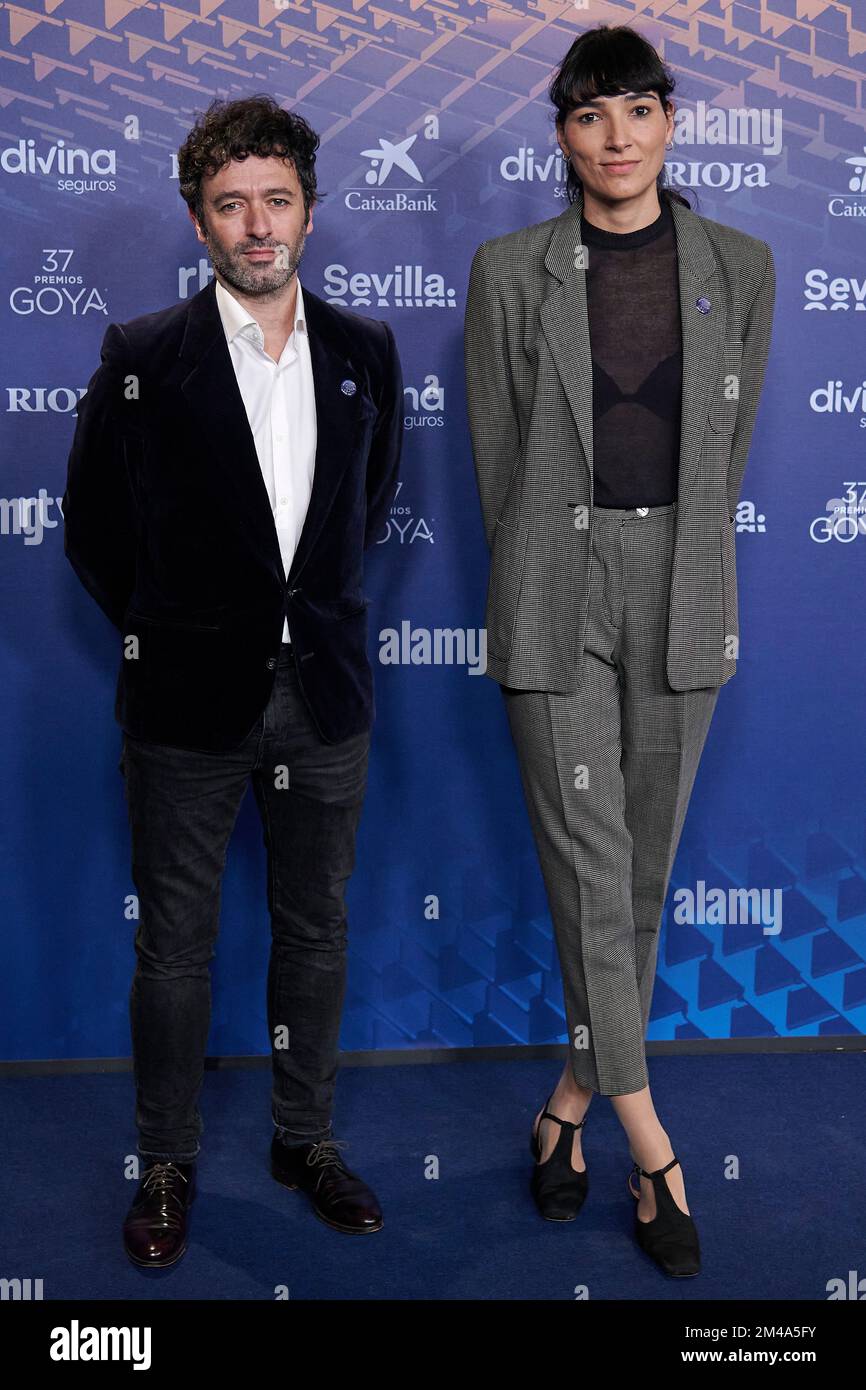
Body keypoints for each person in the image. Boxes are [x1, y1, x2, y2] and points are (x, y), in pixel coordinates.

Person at [62, 95, 403, 1267]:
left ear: (308, 210)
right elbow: (94, 531)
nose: (256, 226)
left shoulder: (365, 353)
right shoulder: (145, 354)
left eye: (276, 200)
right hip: (185, 705)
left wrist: (290, 623)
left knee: (313, 929)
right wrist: (186, 630)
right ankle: (166, 1159)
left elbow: (365, 508)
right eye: (229, 205)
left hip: (323, 701)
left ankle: (301, 1139)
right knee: (176, 946)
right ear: (198, 221)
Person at [463, 24, 775, 1277]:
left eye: (637, 109)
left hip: (680, 580)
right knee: (589, 859)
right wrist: (553, 565)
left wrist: (677, 561)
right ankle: (652, 1142)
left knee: (638, 871)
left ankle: (565, 1109)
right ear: (562, 136)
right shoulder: (505, 272)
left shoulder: (740, 266)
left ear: (667, 122)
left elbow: (724, 453)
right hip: (553, 578)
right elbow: (496, 463)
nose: (616, 137)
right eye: (590, 115)